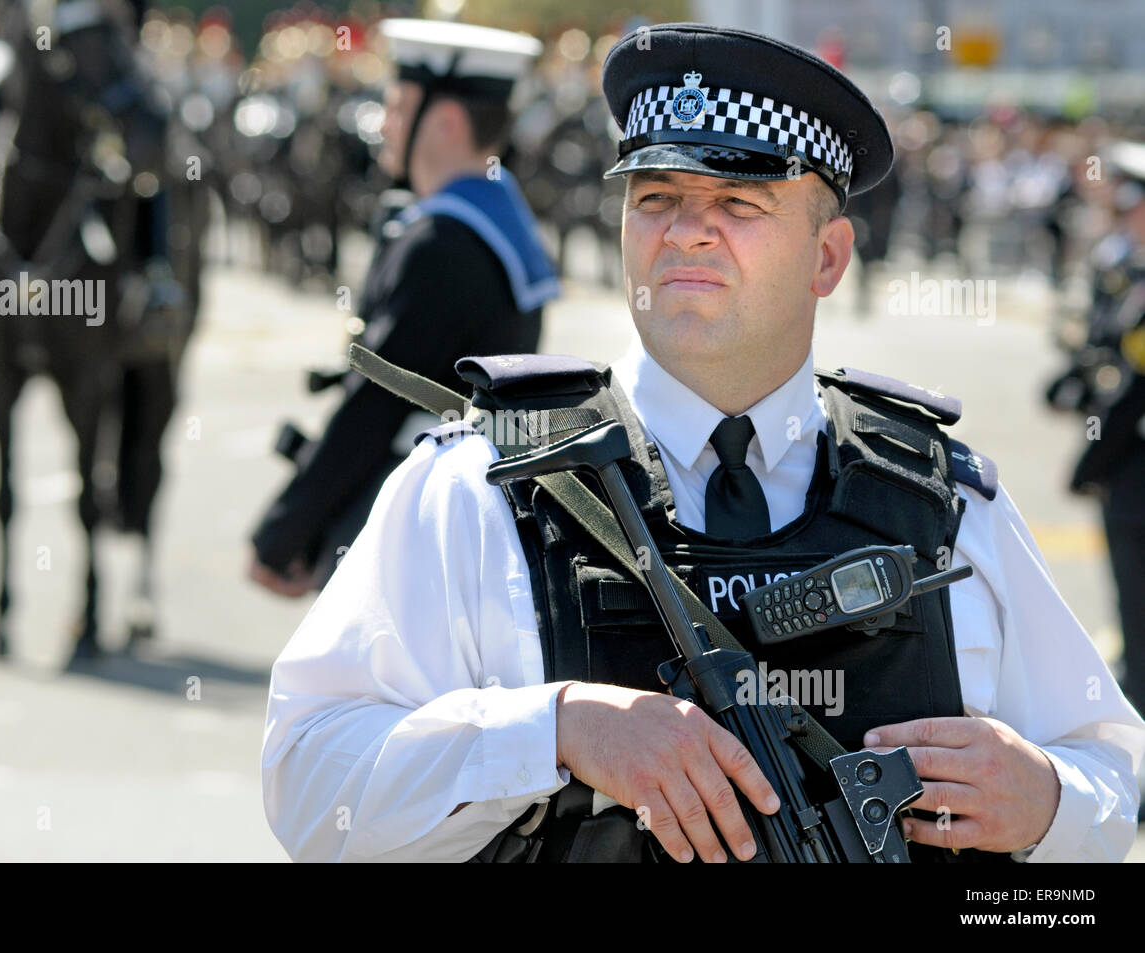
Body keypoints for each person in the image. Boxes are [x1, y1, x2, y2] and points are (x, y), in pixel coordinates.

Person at [262, 23, 1145, 862]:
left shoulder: (946, 506)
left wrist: (1048, 799)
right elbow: (308, 782)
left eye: (736, 200)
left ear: (828, 257)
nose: (686, 229)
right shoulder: (483, 487)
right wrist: (556, 731)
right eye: (656, 199)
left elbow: (1110, 768)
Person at [248, 19, 556, 597]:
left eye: (396, 106)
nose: (382, 123)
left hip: (408, 518)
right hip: (456, 511)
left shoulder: (441, 243)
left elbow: (375, 406)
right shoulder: (492, 216)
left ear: (444, 121)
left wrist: (283, 533)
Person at [1047, 140, 1145, 717]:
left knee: (1138, 627)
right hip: (1126, 472)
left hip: (1133, 478)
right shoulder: (1125, 274)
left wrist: (1089, 466)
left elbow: (1133, 395)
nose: (1120, 217)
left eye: (1128, 204)